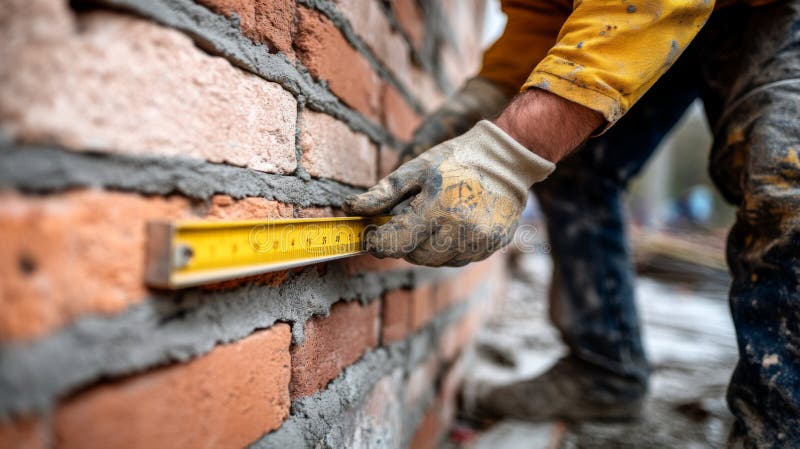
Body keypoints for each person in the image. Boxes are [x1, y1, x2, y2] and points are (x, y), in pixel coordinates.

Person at [343, 0, 800, 447]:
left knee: (785, 188)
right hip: (630, 14)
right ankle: (604, 372)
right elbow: (546, 9)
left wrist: (504, 157)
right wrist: (492, 89)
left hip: (768, 11)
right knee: (575, 165)